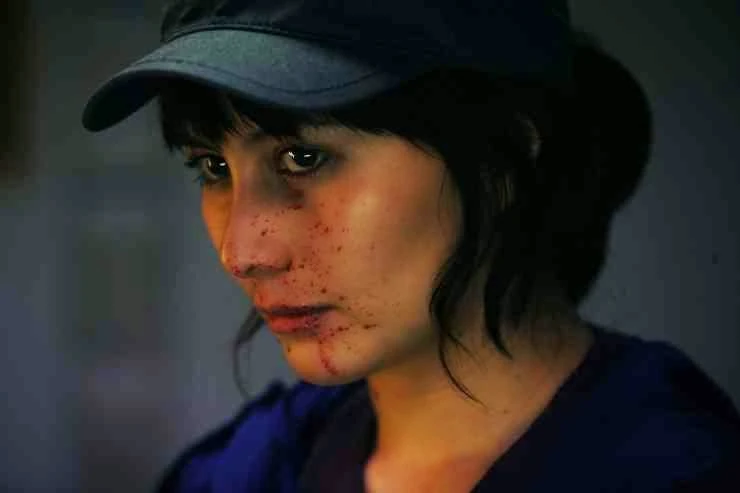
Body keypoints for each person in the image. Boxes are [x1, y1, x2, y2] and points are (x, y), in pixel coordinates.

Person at [82, 0, 740, 491]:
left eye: (303, 156)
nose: (242, 252)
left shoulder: (679, 468)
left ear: (504, 153)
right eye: (212, 168)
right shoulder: (248, 470)